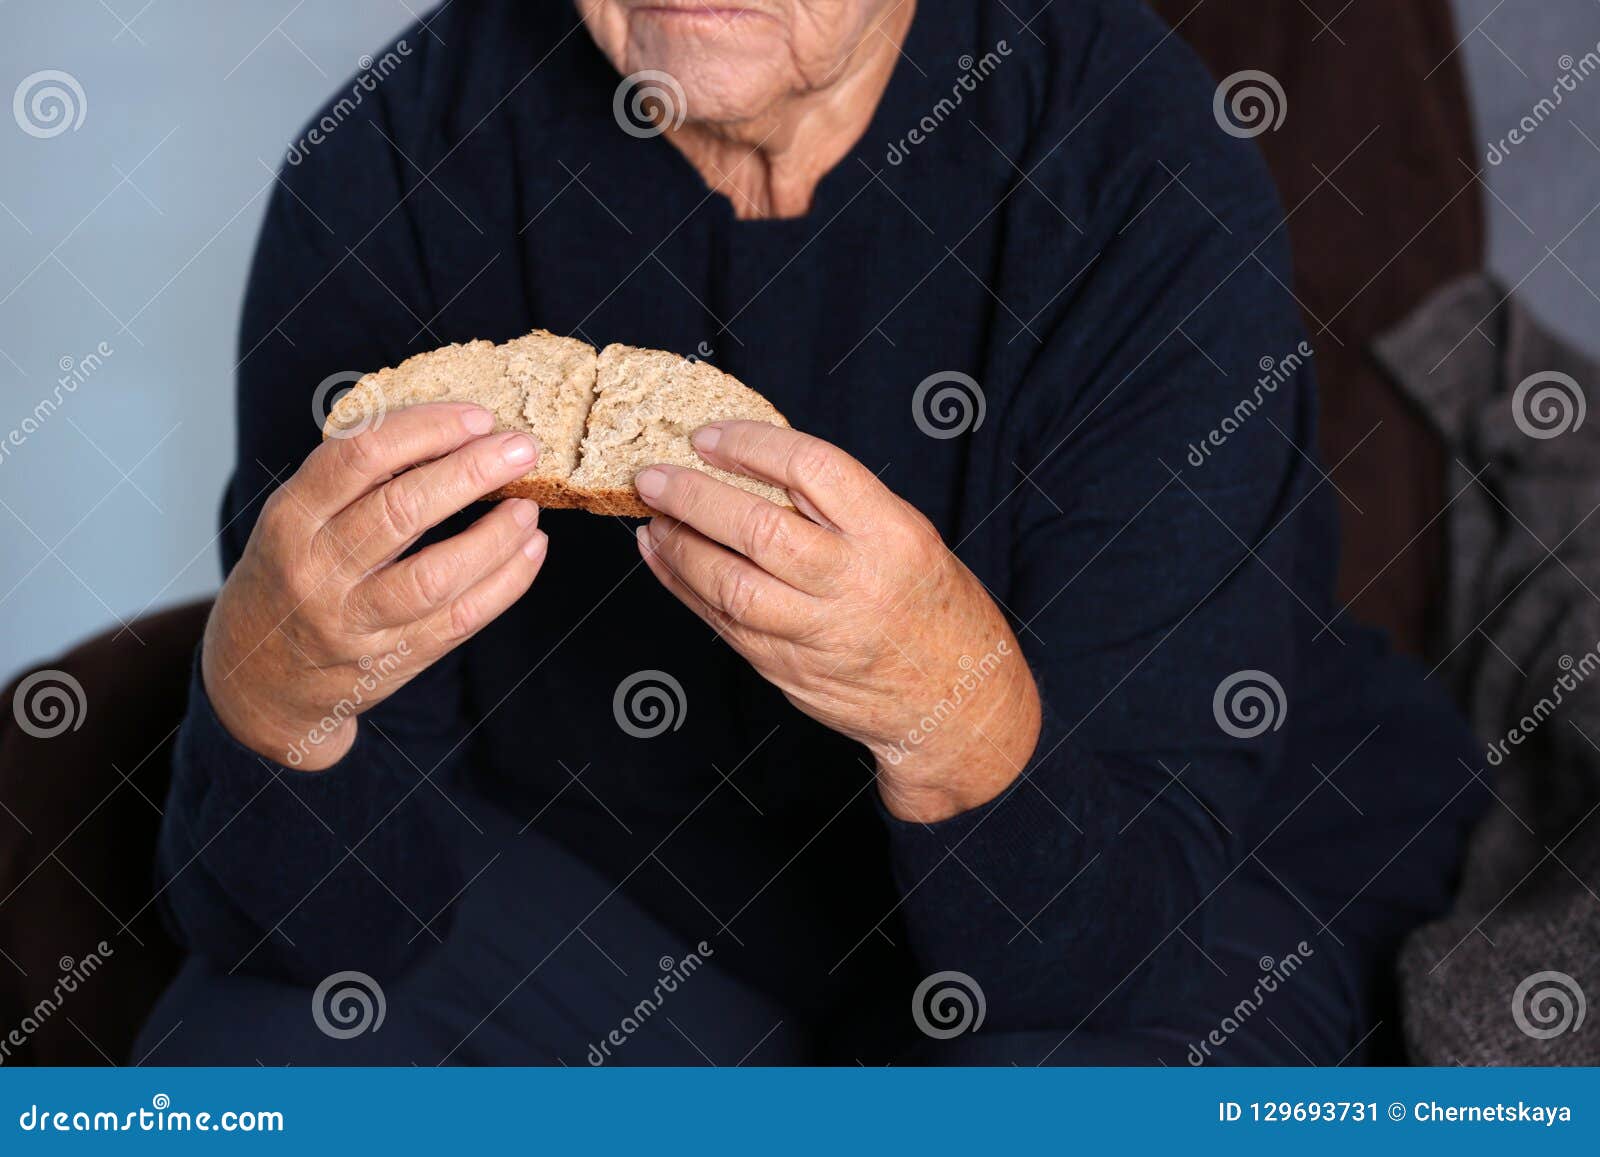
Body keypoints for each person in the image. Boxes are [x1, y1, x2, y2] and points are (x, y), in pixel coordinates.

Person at [139, 0, 1486, 1065]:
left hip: (1135, 889)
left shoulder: (1139, 176)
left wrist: (949, 708)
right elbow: (309, 925)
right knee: (243, 1065)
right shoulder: (391, 163)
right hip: (628, 919)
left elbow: (1121, 936)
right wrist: (273, 697)